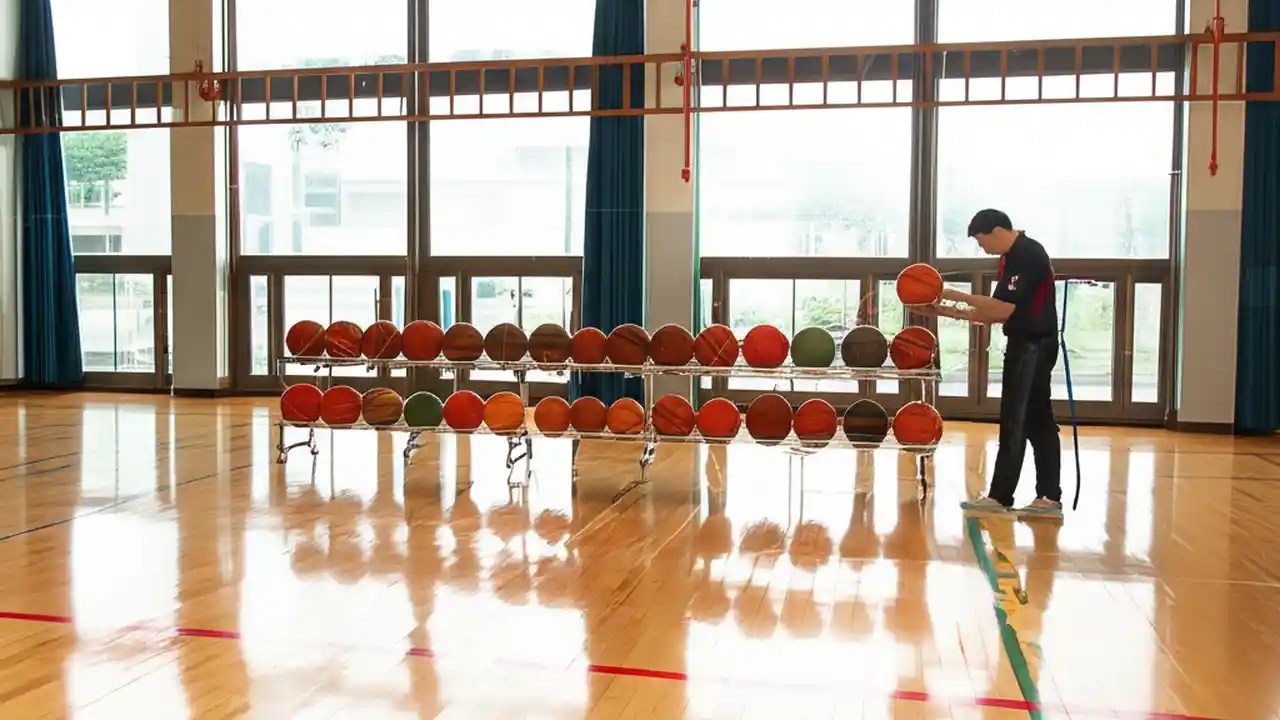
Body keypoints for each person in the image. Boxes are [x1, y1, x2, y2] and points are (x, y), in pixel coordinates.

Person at [913, 209, 1063, 517]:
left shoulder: (1027, 253)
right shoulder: (1012, 256)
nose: (983, 249)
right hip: (1028, 343)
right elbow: (991, 312)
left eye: (983, 243)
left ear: (997, 231)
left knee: (1018, 420)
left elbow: (1002, 310)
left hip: (1033, 346)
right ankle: (1047, 496)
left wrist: (948, 293)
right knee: (1036, 421)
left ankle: (1003, 496)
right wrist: (940, 310)